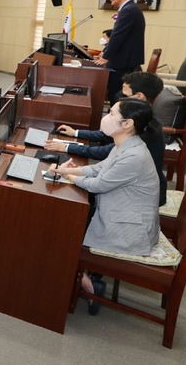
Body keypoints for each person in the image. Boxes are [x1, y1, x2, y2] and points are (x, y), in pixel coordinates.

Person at [49, 98, 160, 315]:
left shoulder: (134, 155)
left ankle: (88, 283)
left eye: (111, 114)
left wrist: (70, 178)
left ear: (127, 124)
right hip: (122, 214)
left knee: (62, 232)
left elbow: (98, 185)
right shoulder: (127, 144)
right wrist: (66, 172)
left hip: (128, 229)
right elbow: (99, 169)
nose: (105, 117)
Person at [46, 71, 167, 205]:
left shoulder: (143, 132)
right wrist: (67, 169)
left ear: (139, 96)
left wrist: (67, 175)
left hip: (135, 199)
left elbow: (99, 183)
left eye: (125, 96)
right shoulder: (134, 125)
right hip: (124, 186)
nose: (121, 98)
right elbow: (100, 165)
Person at [96, 0, 145, 103]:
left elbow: (118, 36)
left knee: (116, 96)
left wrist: (105, 57)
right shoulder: (130, 8)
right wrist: (105, 51)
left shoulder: (128, 10)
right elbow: (117, 36)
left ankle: (114, 118)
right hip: (124, 61)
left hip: (123, 63)